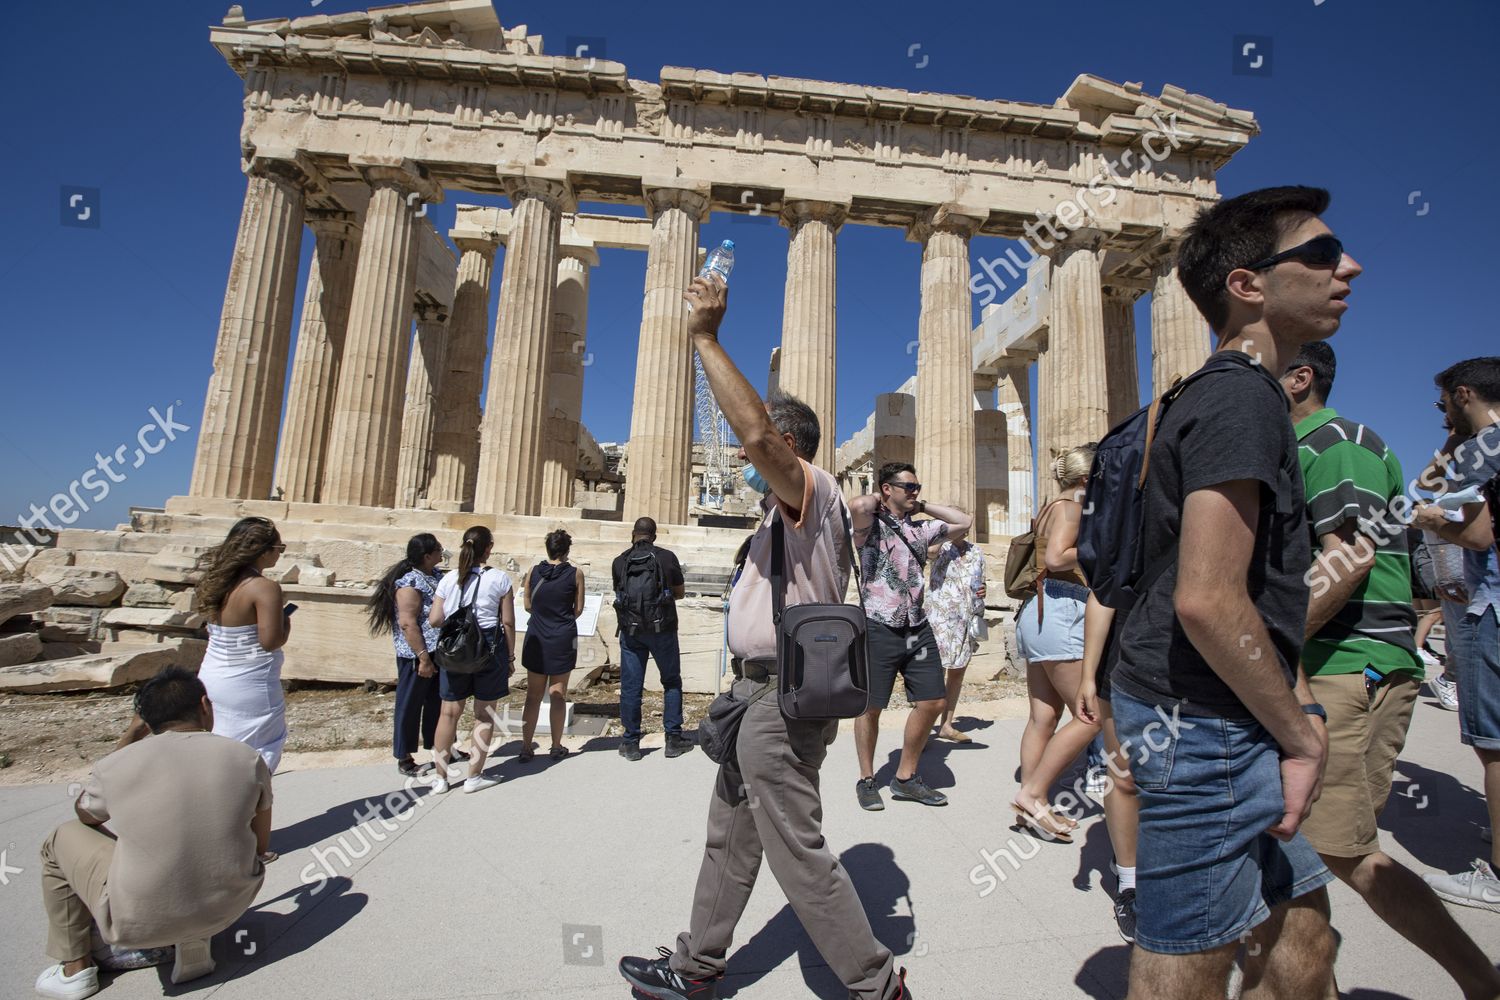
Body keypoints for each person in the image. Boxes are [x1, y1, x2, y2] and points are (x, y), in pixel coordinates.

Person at [617, 271, 913, 1000]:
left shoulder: (809, 491)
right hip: (757, 695)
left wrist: (706, 338)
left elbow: (750, 431)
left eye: (764, 453)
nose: (751, 461)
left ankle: (878, 987)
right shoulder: (781, 516)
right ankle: (696, 968)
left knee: (796, 850)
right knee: (731, 836)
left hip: (783, 702)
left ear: (785, 447)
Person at [1109, 186, 1357, 999]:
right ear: (1248, 285)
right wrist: (1301, 735)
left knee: (1305, 940)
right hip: (1204, 721)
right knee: (1190, 959)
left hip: (1220, 707)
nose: (1347, 266)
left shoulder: (1208, 392)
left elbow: (1243, 588)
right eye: (1320, 255)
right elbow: (1207, 600)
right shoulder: (1241, 398)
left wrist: (1291, 705)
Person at [1281, 342, 1500, 997]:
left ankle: (1480, 980)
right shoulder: (1304, 446)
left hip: (1351, 664)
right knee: (1306, 844)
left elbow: (1347, 560)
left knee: (1341, 850)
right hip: (1332, 661)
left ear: (1298, 377)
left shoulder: (1336, 442)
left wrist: (1269, 647)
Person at [34, 668, 273, 999]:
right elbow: (261, 845)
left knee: (60, 838)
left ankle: (75, 969)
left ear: (146, 720)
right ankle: (191, 939)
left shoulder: (118, 765)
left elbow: (85, 815)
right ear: (206, 705)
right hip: (227, 909)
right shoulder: (247, 758)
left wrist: (130, 737)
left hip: (139, 922)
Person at [1414, 356, 1500, 910]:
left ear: (1464, 395)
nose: (1441, 413)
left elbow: (1476, 534)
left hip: (1488, 605)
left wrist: (1428, 520)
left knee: (1495, 745)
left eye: (1444, 402)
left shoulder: (1479, 450)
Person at [848, 462, 972, 810]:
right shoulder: (868, 528)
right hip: (878, 623)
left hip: (917, 625)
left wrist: (921, 504)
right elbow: (857, 507)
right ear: (887, 488)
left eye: (917, 486)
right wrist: (882, 496)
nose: (914, 491)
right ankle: (867, 778)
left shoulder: (921, 530)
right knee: (871, 707)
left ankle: (905, 777)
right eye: (908, 487)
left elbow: (963, 522)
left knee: (933, 701)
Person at [1011, 445, 1100, 841]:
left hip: (1038, 611)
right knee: (1091, 716)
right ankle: (1032, 794)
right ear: (1085, 479)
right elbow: (1059, 557)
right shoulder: (1070, 508)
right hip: (1060, 611)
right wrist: (1105, 551)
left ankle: (1032, 805)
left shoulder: (1048, 507)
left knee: (1043, 717)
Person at [194, 515, 287, 859]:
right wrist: (285, 622)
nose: (279, 555)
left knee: (220, 756)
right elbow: (271, 640)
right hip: (250, 684)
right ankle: (251, 848)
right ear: (262, 551)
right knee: (257, 762)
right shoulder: (264, 587)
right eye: (278, 548)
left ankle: (207, 832)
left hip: (213, 675)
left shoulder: (218, 582)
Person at [366, 533, 464, 778]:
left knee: (439, 702)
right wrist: (422, 657)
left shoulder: (436, 576)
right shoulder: (409, 583)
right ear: (427, 555)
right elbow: (408, 623)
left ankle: (442, 748)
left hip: (438, 650)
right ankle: (404, 757)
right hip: (416, 654)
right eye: (438, 549)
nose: (442, 552)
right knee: (409, 704)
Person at [428, 525, 514, 794]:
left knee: (448, 713)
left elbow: (434, 620)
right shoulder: (500, 578)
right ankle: (473, 777)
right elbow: (508, 622)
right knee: (484, 715)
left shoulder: (448, 578)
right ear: (488, 548)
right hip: (489, 646)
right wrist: (510, 656)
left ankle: (440, 778)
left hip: (455, 648)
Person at [1076, 594, 1141, 943]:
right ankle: (1128, 885)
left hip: (1200, 663)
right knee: (1124, 775)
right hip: (1127, 661)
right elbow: (1104, 592)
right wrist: (1088, 675)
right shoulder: (1127, 536)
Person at [612, 516, 691, 761]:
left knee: (631, 686)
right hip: (663, 628)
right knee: (671, 681)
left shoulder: (619, 561)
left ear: (633, 534)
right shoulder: (667, 558)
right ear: (654, 536)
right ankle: (673, 739)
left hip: (631, 630)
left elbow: (619, 593)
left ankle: (631, 742)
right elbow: (679, 592)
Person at [521, 529, 584, 761]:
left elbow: (527, 604)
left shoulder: (533, 571)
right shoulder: (576, 574)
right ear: (567, 550)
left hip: (536, 635)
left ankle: (526, 747)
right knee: (558, 694)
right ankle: (556, 745)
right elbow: (578, 609)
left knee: (532, 695)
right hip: (562, 637)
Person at [926, 536, 987, 742]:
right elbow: (929, 553)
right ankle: (923, 729)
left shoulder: (976, 551)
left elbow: (980, 580)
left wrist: (983, 590)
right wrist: (944, 533)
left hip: (965, 617)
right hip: (939, 619)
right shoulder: (939, 547)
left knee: (958, 672)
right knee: (934, 673)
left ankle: (946, 725)